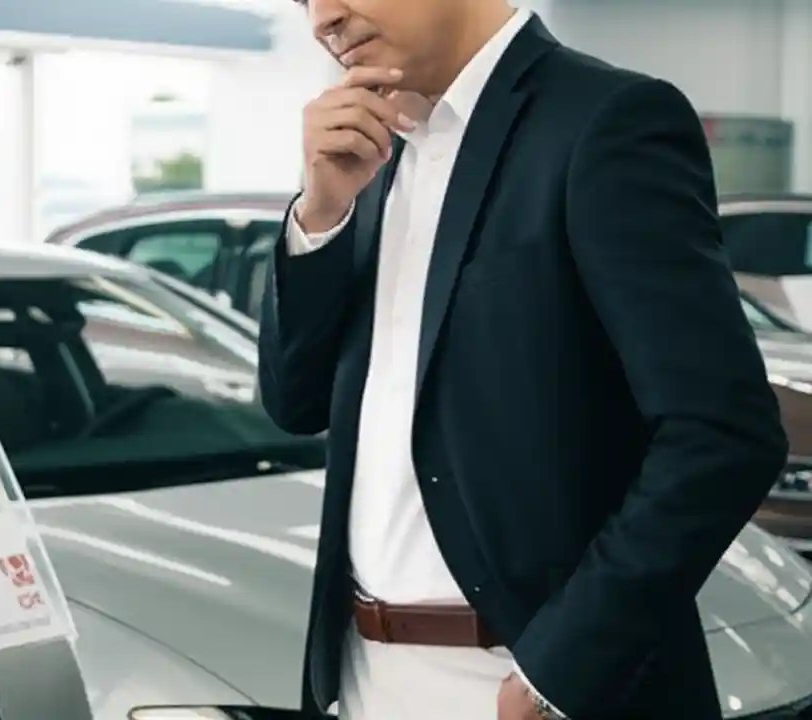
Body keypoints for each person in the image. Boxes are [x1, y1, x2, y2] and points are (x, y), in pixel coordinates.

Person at [259, 1, 789, 719]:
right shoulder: (374, 153)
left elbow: (724, 434)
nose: (322, 15)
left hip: (524, 685)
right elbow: (294, 402)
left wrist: (558, 675)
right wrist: (319, 215)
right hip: (357, 676)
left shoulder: (606, 121)